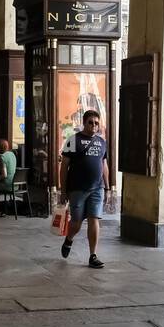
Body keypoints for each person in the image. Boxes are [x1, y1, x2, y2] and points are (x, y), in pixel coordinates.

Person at [58, 109, 110, 269]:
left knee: (95, 220)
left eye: (96, 123)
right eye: (90, 122)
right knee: (76, 223)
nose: (94, 125)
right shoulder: (73, 140)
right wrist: (63, 190)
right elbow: (64, 166)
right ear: (84, 123)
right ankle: (69, 239)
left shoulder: (101, 142)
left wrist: (107, 187)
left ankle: (92, 255)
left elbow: (104, 165)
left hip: (97, 188)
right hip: (77, 189)